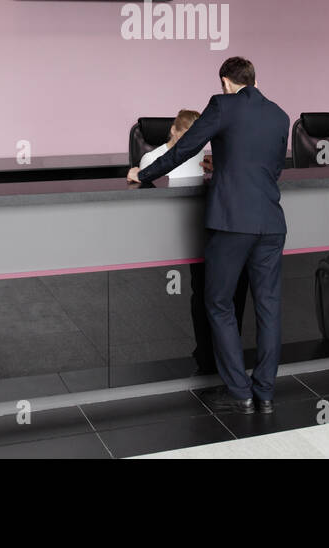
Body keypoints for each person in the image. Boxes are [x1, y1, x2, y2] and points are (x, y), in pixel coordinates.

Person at [127, 56, 290, 415]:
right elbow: (272, 168)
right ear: (254, 80)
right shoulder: (280, 114)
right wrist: (227, 165)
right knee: (269, 308)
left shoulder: (222, 104)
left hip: (232, 222)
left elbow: (185, 147)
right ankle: (264, 392)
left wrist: (144, 172)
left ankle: (239, 390)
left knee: (218, 303)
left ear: (225, 82)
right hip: (271, 222)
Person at [138, 109, 209, 179]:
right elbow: (144, 190)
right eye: (187, 136)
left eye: (197, 137)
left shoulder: (200, 155)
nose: (192, 142)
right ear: (173, 130)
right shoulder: (150, 158)